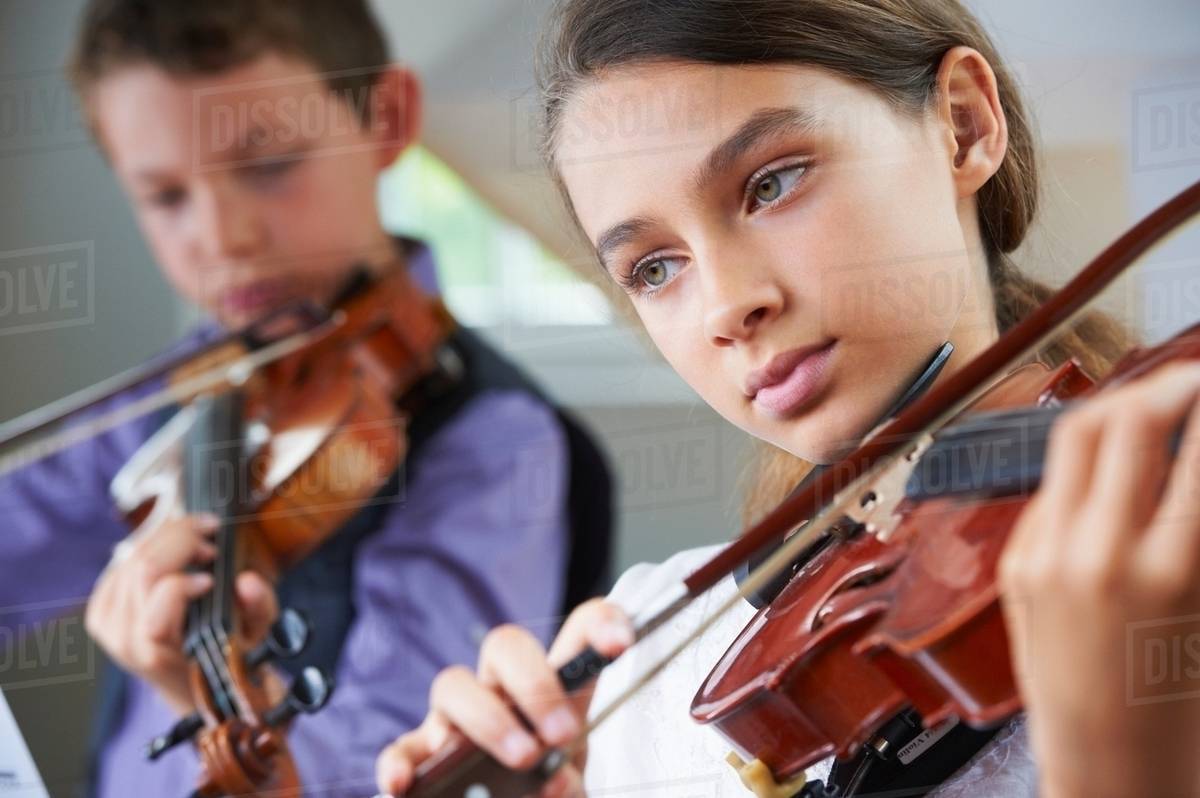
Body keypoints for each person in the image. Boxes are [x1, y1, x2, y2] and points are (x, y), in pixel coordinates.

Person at [375, 1, 1200, 796]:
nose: (727, 307)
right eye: (654, 269)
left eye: (772, 184)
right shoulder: (652, 652)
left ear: (962, 125)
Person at [0, 1, 612, 796]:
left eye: (270, 164)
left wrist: (206, 699)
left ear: (386, 119)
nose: (223, 238)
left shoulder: (490, 440)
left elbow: (392, 770)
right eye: (166, 195)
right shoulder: (190, 384)